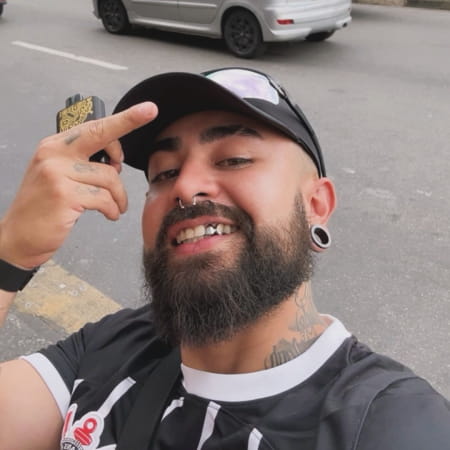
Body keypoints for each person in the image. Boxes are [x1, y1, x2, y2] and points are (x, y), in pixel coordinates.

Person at [0, 68, 448, 450]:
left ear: (317, 204)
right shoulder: (111, 346)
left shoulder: (389, 423)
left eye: (233, 159)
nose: (185, 186)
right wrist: (12, 253)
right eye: (164, 173)